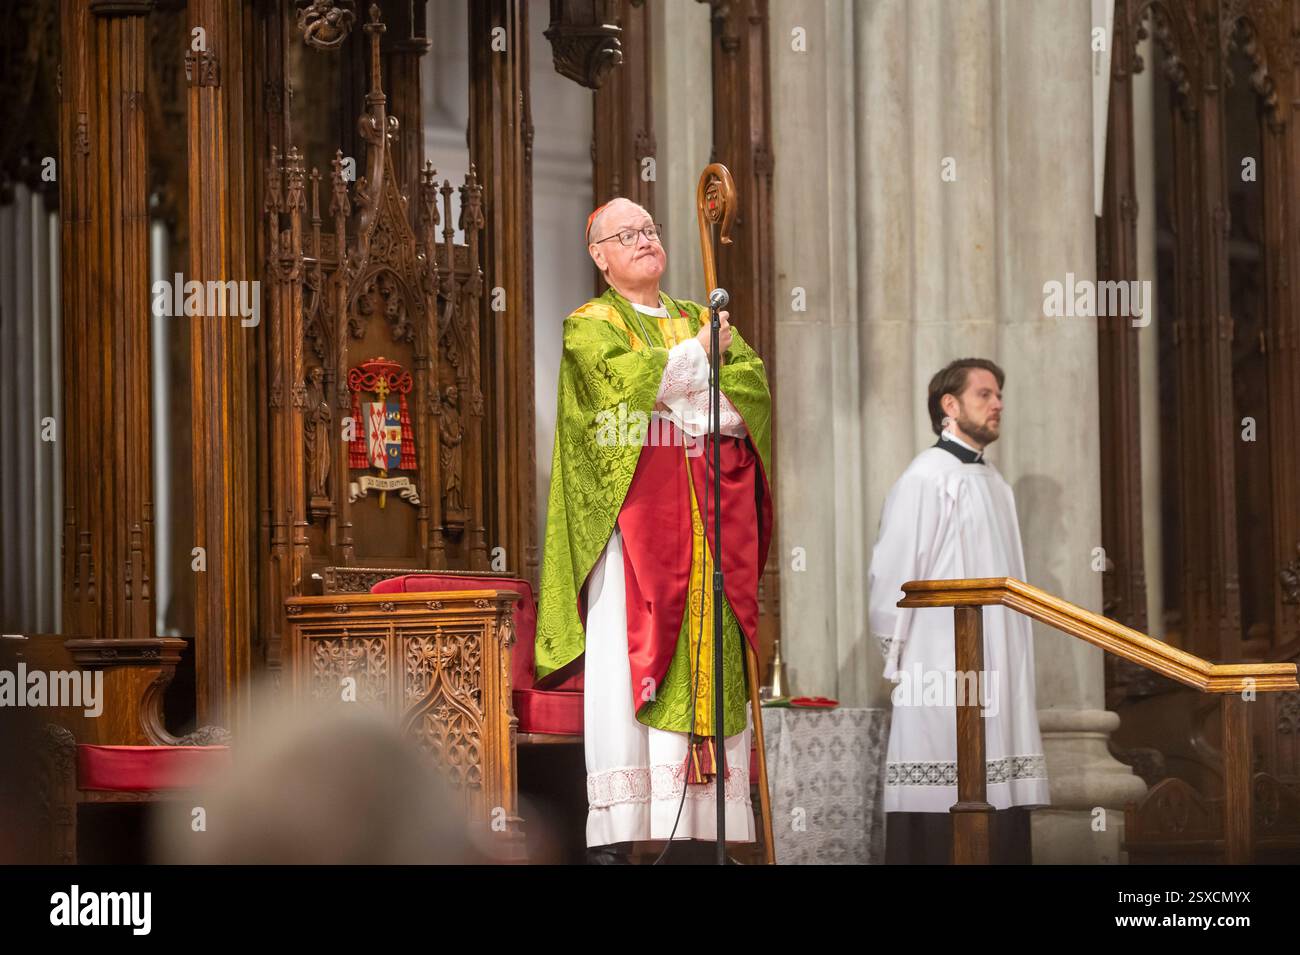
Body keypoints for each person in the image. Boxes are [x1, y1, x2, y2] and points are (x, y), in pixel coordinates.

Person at [535, 198, 773, 863]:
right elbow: (616, 400)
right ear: (598, 255)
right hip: (634, 535)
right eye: (627, 234)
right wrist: (695, 362)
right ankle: (625, 835)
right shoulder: (590, 325)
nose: (644, 240)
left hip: (707, 534)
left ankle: (703, 839)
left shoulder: (703, 316)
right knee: (626, 668)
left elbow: (745, 397)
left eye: (650, 229)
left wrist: (682, 385)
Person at [868, 358, 1049, 864]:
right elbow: (893, 573)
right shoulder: (926, 478)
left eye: (999, 396)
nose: (998, 405)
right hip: (941, 662)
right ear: (949, 405)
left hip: (999, 659)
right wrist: (896, 653)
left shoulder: (995, 483)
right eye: (985, 395)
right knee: (942, 764)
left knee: (997, 773)